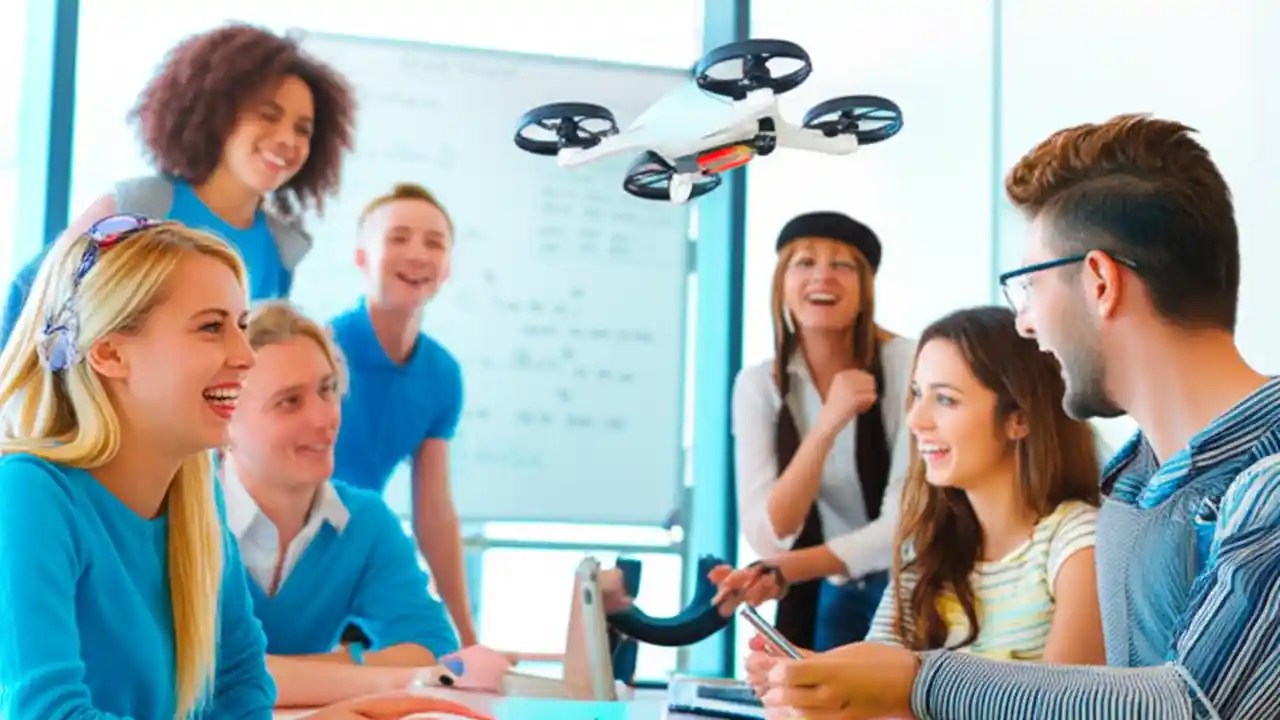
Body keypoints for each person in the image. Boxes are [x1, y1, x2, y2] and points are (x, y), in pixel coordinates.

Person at [753, 114, 1280, 719]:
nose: (1025, 324)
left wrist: (916, 679)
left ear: (1100, 281)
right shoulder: (1132, 485)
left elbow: (1194, 706)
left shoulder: (1266, 478)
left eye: (1029, 288)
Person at [0, 216, 455, 719]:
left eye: (239, 326)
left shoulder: (195, 502)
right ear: (109, 352)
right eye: (211, 327)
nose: (245, 357)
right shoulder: (26, 495)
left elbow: (240, 687)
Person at [0, 21, 356, 344]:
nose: (287, 140)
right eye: (268, 116)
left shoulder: (281, 250)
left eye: (303, 129)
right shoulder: (137, 206)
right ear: (217, 112)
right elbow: (33, 298)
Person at [220, 300, 491, 708]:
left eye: (327, 390)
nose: (324, 418)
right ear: (225, 420)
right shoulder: (176, 519)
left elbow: (432, 649)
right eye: (289, 401)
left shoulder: (364, 523)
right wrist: (378, 673)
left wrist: (296, 670)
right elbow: (208, 676)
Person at [717, 211, 916, 651]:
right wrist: (827, 425)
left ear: (866, 290)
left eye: (843, 265)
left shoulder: (908, 362)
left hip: (913, 578)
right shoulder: (759, 386)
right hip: (833, 583)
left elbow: (904, 525)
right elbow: (769, 533)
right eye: (804, 262)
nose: (822, 276)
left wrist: (782, 569)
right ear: (781, 285)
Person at [328, 182, 478, 647]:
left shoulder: (442, 374)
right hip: (289, 562)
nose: (417, 253)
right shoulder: (320, 349)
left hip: (362, 556)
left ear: (447, 268)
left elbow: (433, 511)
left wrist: (469, 636)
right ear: (361, 258)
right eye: (397, 238)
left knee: (440, 657)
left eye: (434, 243)